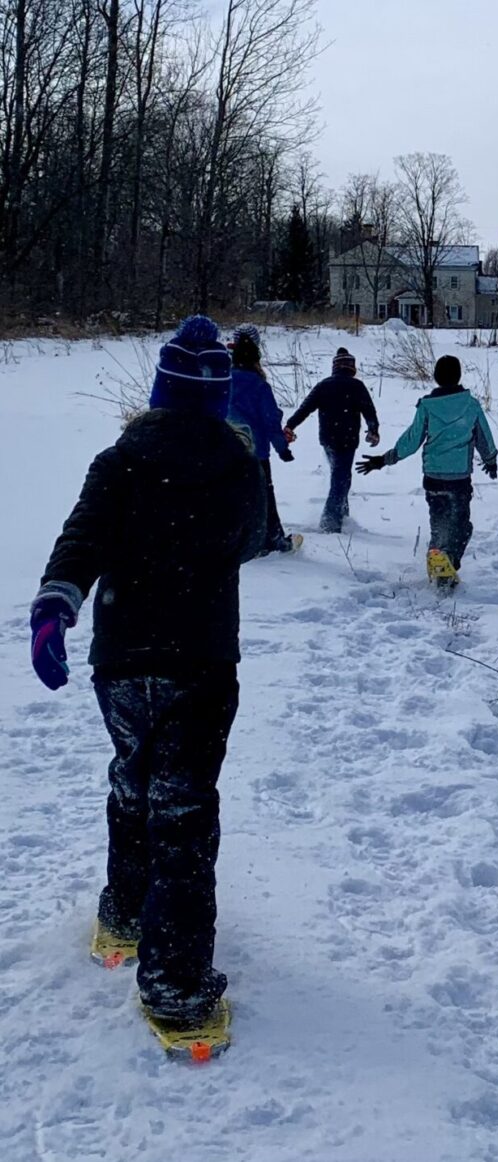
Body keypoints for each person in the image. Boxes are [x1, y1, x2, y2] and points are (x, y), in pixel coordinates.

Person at [30, 315, 265, 1027]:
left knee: (133, 781)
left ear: (162, 390)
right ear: (219, 395)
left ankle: (126, 912)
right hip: (199, 661)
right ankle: (175, 986)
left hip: (124, 661)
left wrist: (55, 609)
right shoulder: (236, 464)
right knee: (185, 811)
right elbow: (249, 542)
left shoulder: (120, 459)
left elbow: (82, 537)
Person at [356, 355, 498, 587]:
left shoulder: (427, 407)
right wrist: (490, 459)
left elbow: (411, 441)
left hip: (433, 478)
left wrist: (384, 459)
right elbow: (483, 435)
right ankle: (448, 561)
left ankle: (438, 558)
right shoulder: (470, 405)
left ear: (436, 377)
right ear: (459, 376)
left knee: (439, 523)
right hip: (459, 478)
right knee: (462, 525)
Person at [285, 348, 380, 534]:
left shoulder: (324, 385)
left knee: (341, 475)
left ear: (334, 368)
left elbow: (305, 408)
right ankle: (331, 522)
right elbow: (370, 411)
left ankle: (342, 515)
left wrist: (290, 425)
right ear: (352, 368)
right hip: (348, 439)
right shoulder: (357, 386)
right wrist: (373, 430)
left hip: (328, 439)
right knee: (340, 478)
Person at [228, 324, 298, 554]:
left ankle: (237, 539)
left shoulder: (222, 379)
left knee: (235, 496)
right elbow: (269, 421)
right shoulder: (259, 385)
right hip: (255, 452)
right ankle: (272, 539)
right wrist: (282, 448)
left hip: (227, 449)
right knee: (264, 495)